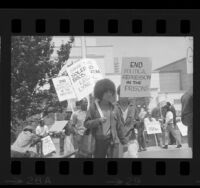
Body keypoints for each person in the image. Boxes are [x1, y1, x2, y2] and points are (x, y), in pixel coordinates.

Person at [84, 79, 128, 158]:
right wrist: (98, 121)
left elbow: (119, 127)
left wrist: (124, 142)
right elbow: (86, 124)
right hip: (98, 142)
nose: (109, 94)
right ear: (100, 93)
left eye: (111, 91)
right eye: (107, 92)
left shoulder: (115, 108)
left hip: (113, 141)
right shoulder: (93, 107)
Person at [114, 85, 138, 157]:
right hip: (118, 141)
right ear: (118, 94)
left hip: (131, 140)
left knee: (132, 156)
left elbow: (137, 123)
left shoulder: (133, 107)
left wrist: (138, 122)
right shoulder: (113, 107)